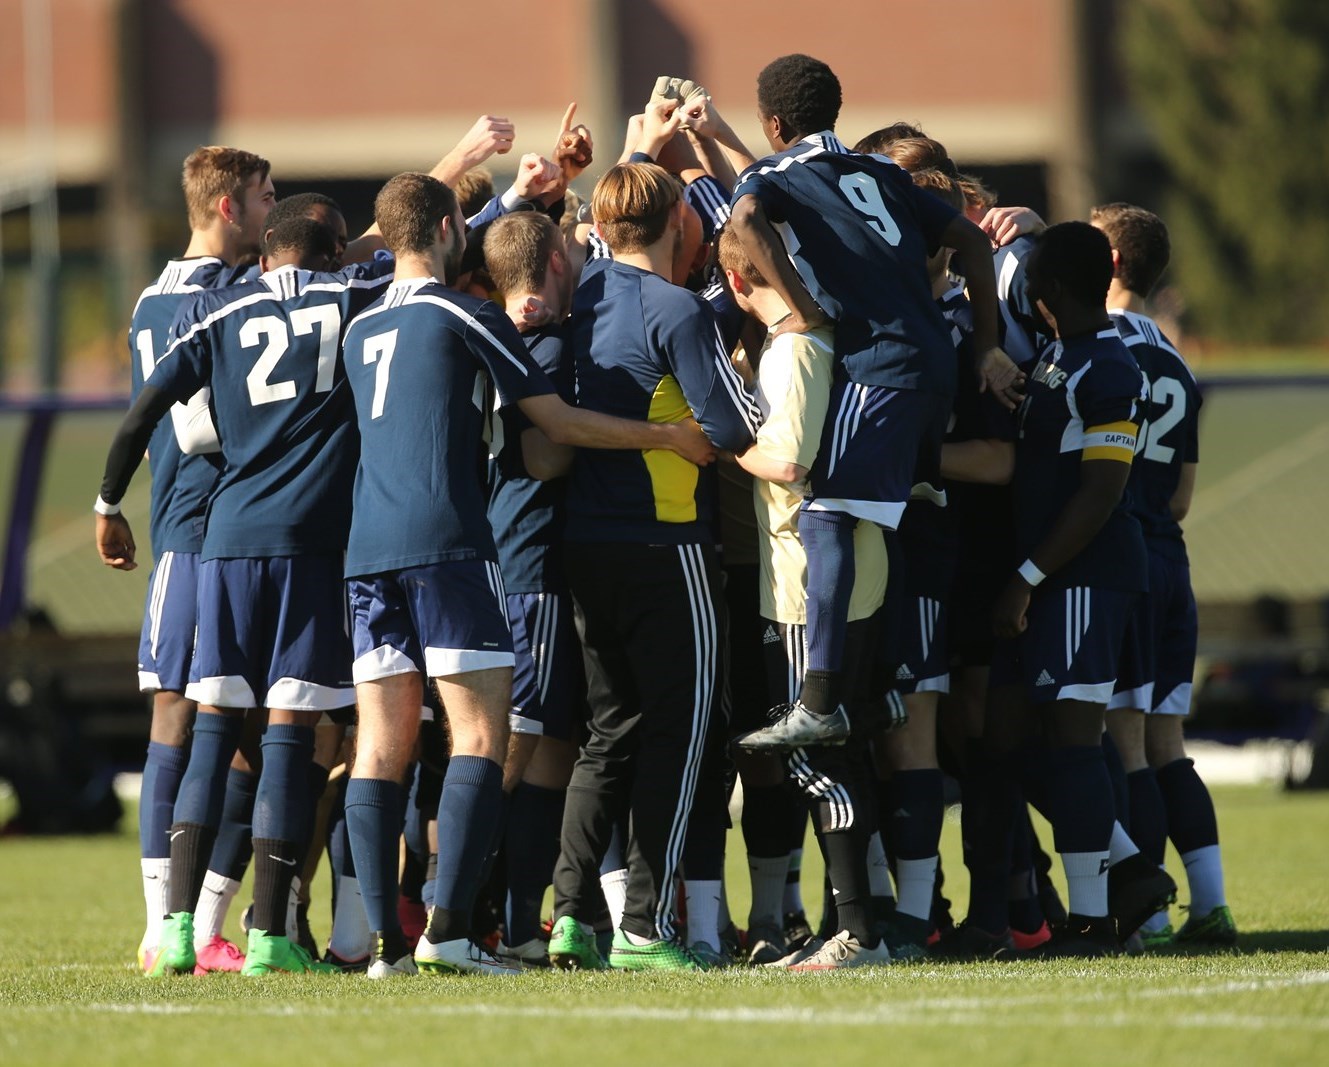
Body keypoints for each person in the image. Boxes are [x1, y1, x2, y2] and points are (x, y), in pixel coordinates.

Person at [337, 172, 718, 978]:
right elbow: (555, 429)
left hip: (364, 549)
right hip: (448, 541)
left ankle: (385, 945)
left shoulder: (358, 321)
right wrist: (665, 437)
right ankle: (450, 930)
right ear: (450, 229)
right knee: (484, 736)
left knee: (380, 744)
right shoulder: (465, 314)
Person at [97, 213, 394, 977]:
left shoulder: (220, 309)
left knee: (213, 727)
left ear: (263, 259)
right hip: (308, 550)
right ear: (333, 255)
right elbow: (416, 264)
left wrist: (107, 502)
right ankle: (270, 938)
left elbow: (146, 409)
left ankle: (175, 932)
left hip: (224, 542)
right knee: (289, 734)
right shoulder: (352, 296)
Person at [726, 54, 1020, 753]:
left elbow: (745, 221)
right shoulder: (880, 172)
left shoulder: (773, 174)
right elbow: (971, 239)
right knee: (879, 519)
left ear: (773, 123)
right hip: (930, 363)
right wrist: (985, 344)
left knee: (825, 518)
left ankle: (820, 702)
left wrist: (799, 310)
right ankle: (885, 680)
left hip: (878, 366)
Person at [544, 162, 761, 972]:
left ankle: (571, 915)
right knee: (684, 731)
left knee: (608, 734)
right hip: (666, 544)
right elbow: (731, 428)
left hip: (584, 543)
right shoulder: (676, 308)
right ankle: (643, 925)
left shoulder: (580, 297)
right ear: (677, 220)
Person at [111, 145, 274, 976]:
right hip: (199, 528)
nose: (273, 210)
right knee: (183, 716)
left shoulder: (155, 297)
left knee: (240, 724)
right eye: (265, 196)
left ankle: (197, 925)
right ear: (227, 206)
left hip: (223, 530)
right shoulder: (217, 298)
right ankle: (165, 925)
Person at [717, 225, 891, 969]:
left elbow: (787, 461)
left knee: (816, 759)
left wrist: (725, 439)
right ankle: (858, 926)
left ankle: (858, 933)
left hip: (807, 586)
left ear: (735, 282)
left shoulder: (790, 352)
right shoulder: (827, 338)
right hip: (847, 572)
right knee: (837, 753)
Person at [989, 221, 1158, 955]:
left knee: (1074, 741)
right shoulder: (1061, 353)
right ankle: (1130, 870)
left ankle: (1091, 919)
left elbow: (1100, 494)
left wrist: (1025, 578)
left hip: (1086, 574)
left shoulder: (1111, 368)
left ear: (1052, 290)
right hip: (1051, 577)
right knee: (1015, 740)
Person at [1094, 202, 1235, 947]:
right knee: (1166, 744)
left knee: (1123, 745)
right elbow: (1180, 499)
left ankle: (1146, 915)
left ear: (1112, 262)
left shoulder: (1097, 344)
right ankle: (1211, 905)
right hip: (1170, 561)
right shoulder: (1177, 358)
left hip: (1120, 562)